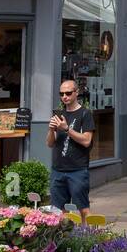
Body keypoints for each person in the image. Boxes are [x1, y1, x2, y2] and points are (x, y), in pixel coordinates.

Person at [46, 80, 94, 218]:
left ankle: (89, 236)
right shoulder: (58, 114)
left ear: (76, 93)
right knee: (58, 211)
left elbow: (86, 140)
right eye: (61, 94)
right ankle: (63, 238)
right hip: (58, 170)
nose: (64, 97)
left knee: (83, 209)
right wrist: (51, 130)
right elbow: (50, 143)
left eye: (68, 93)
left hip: (77, 170)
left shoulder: (85, 114)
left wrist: (66, 129)